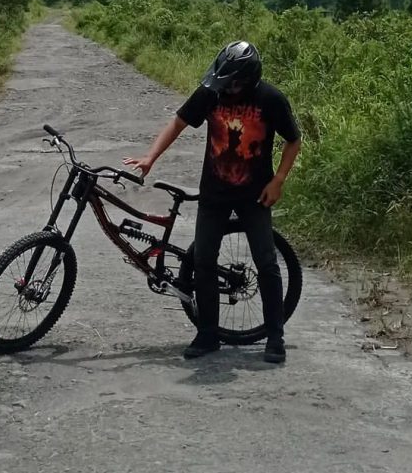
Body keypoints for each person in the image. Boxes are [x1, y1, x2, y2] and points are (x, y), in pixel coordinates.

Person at [123, 40, 301, 363]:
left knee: (266, 262)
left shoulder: (270, 99)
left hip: (255, 194)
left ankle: (275, 336)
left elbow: (294, 140)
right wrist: (151, 157)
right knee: (203, 261)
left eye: (232, 83)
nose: (226, 88)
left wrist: (279, 181)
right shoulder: (211, 92)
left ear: (247, 79)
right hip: (214, 193)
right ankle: (207, 334)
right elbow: (178, 122)